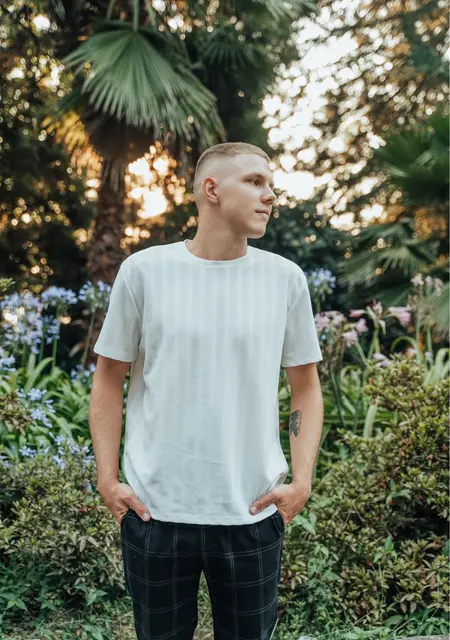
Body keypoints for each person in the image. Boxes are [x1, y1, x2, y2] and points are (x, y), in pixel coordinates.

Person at [89, 141, 324, 640]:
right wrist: (108, 480)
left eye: (271, 185)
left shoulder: (285, 279)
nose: (269, 196)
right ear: (211, 190)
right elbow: (108, 379)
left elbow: (305, 387)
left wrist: (302, 481)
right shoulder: (144, 272)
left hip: (251, 513)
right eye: (255, 182)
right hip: (154, 512)